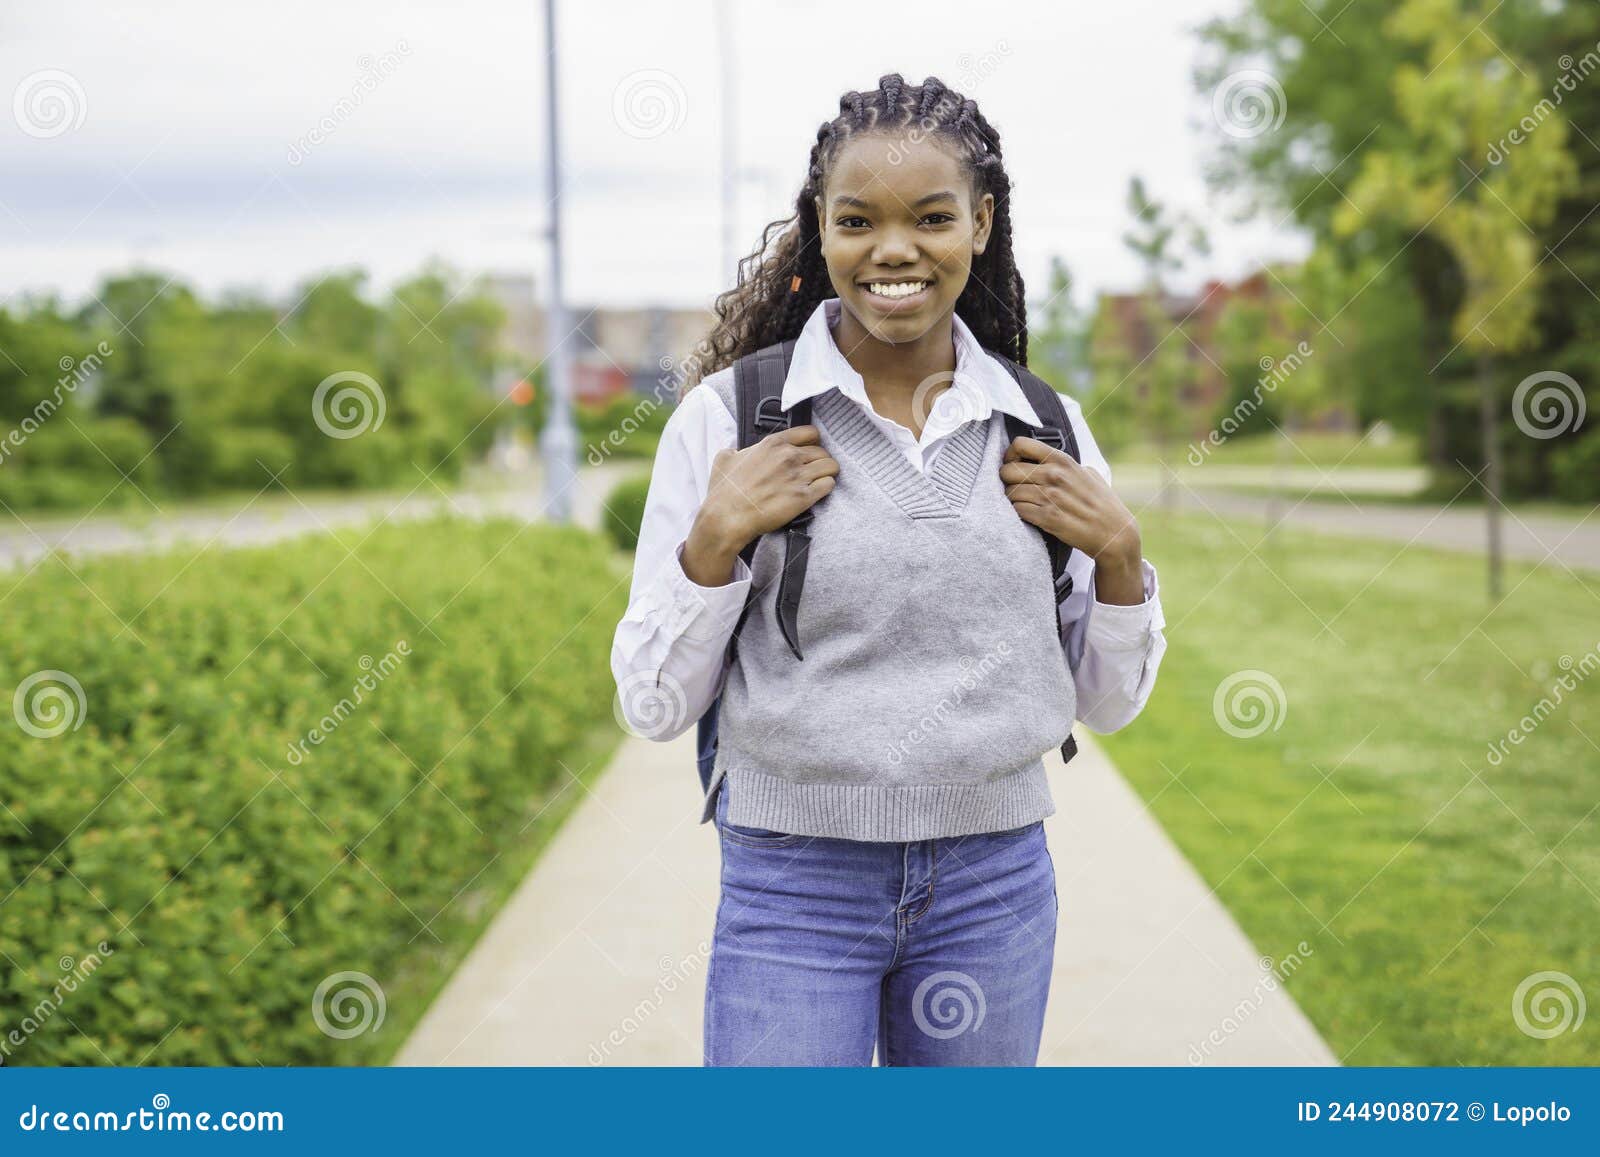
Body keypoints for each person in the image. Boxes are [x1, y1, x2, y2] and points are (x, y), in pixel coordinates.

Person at [610, 73, 1167, 1066]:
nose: (893, 249)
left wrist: (1120, 557)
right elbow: (652, 704)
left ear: (981, 223)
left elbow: (1109, 703)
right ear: (820, 228)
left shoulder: (1045, 427)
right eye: (858, 219)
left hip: (992, 886)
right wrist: (713, 544)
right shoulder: (732, 423)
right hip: (793, 886)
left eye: (931, 217)